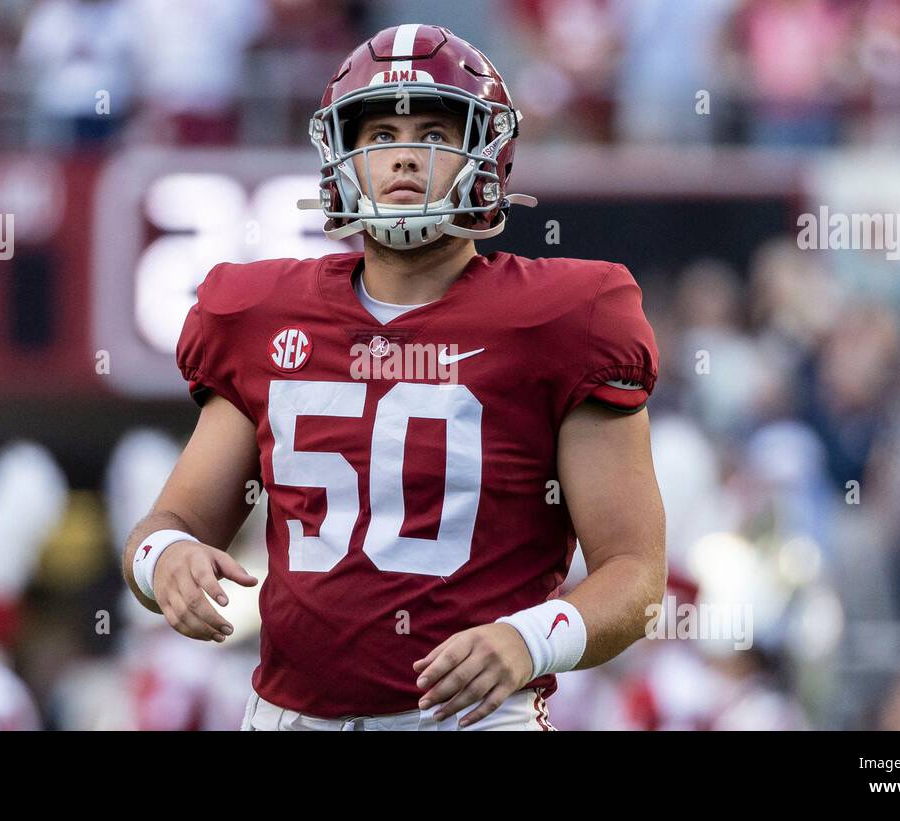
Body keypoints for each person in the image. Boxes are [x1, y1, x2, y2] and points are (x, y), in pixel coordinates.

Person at [122, 24, 665, 731]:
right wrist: (166, 560)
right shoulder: (263, 314)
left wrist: (528, 640)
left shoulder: (563, 320)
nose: (404, 155)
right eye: (378, 134)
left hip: (476, 718)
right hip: (289, 716)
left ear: (485, 153)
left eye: (434, 133)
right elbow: (168, 524)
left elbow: (637, 577)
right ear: (341, 156)